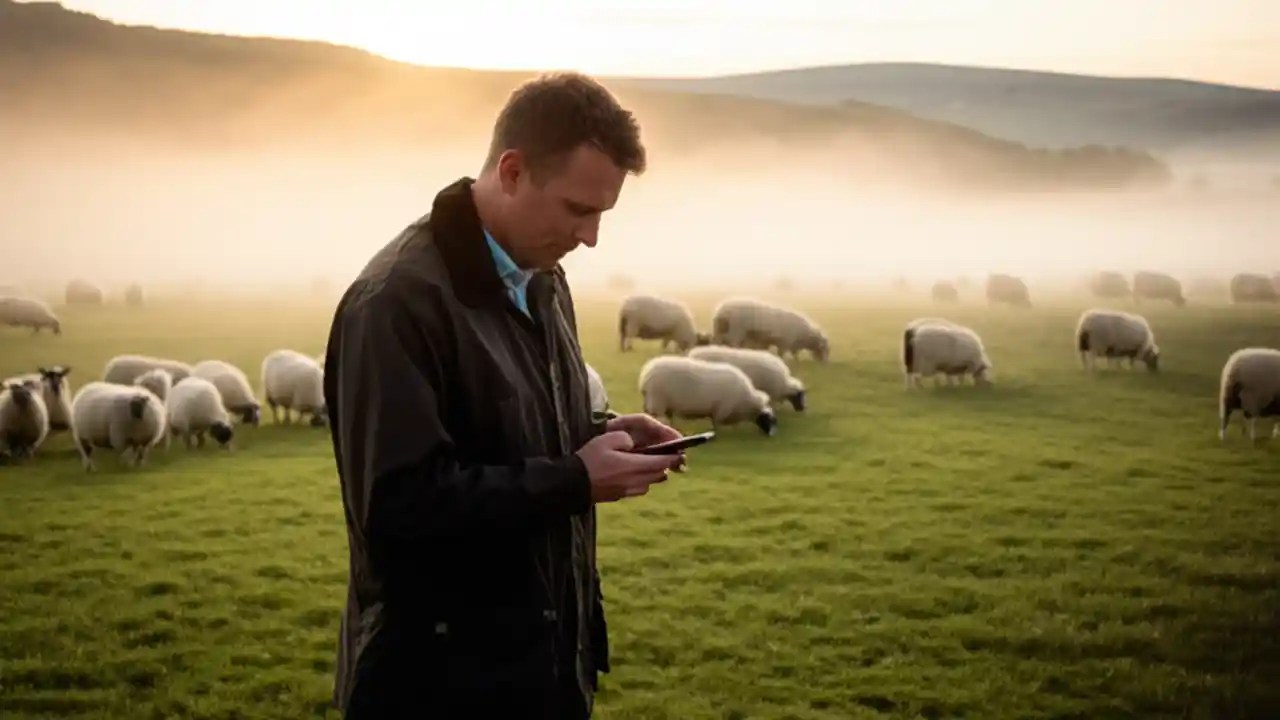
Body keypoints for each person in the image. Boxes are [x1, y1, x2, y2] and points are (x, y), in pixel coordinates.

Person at [322, 72, 688, 719]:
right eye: (579, 209)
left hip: (541, 672)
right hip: (439, 689)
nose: (592, 237)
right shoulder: (397, 304)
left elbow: (500, 426)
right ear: (513, 172)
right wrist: (575, 478)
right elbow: (399, 510)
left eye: (602, 214)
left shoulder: (543, 280)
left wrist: (599, 430)